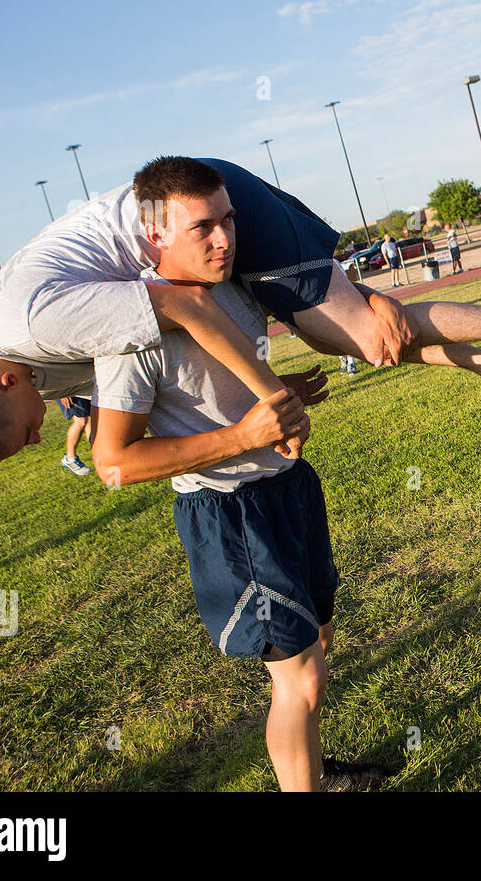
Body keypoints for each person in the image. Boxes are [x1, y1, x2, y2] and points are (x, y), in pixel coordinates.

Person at [0, 158, 481, 465]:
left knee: (355, 330)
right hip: (184, 235)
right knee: (352, 339)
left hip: (202, 214)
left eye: (22, 436)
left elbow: (186, 306)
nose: (39, 441)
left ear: (8, 385)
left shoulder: (33, 328)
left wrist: (270, 399)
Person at [87, 189, 392, 792]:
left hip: (290, 489)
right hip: (231, 515)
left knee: (317, 643)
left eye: (228, 219)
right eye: (202, 227)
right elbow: (113, 462)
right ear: (155, 233)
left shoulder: (236, 285)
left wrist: (281, 395)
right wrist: (242, 435)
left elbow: (225, 386)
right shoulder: (130, 328)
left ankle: (316, 771)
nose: (224, 238)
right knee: (299, 678)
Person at [58, 396, 92, 475]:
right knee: (80, 420)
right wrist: (64, 393)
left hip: (80, 386)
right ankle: (70, 458)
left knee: (91, 418)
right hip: (68, 390)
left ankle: (98, 453)